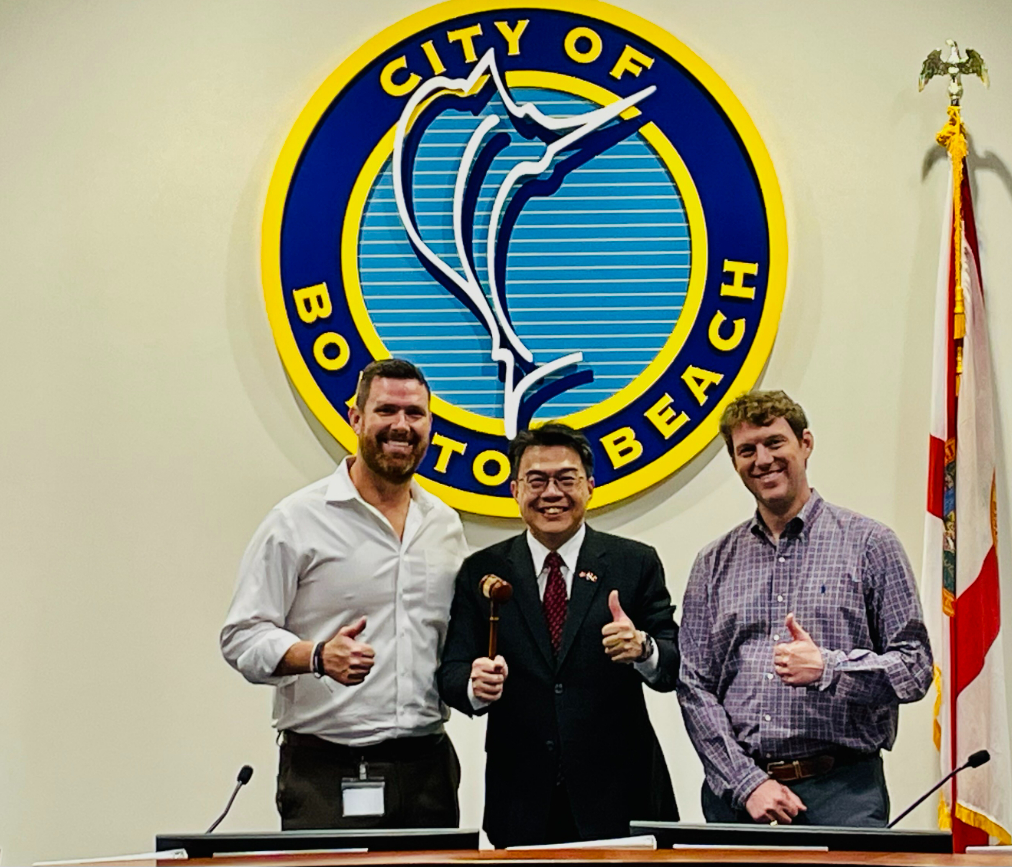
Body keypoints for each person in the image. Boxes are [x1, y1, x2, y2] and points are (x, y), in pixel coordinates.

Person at [221, 359, 468, 829]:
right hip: (323, 774)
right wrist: (314, 655)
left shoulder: (444, 525)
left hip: (427, 771)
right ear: (355, 417)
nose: (401, 425)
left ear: (430, 424)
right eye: (386, 410)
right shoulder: (296, 520)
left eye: (415, 413)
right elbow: (241, 637)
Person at [678, 390, 933, 827]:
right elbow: (694, 685)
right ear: (735, 462)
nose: (763, 460)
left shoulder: (870, 545)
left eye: (775, 443)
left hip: (844, 793)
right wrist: (747, 783)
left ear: (805, 444)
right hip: (739, 801)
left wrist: (829, 669)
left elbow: (915, 668)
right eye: (747, 450)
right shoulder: (712, 562)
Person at [438, 423, 680, 848]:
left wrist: (643, 648)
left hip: (623, 799)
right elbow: (452, 672)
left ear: (589, 486)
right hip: (522, 801)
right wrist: (474, 685)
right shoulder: (482, 571)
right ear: (515, 490)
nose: (552, 493)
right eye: (536, 480)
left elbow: (673, 662)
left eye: (566, 479)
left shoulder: (634, 563)